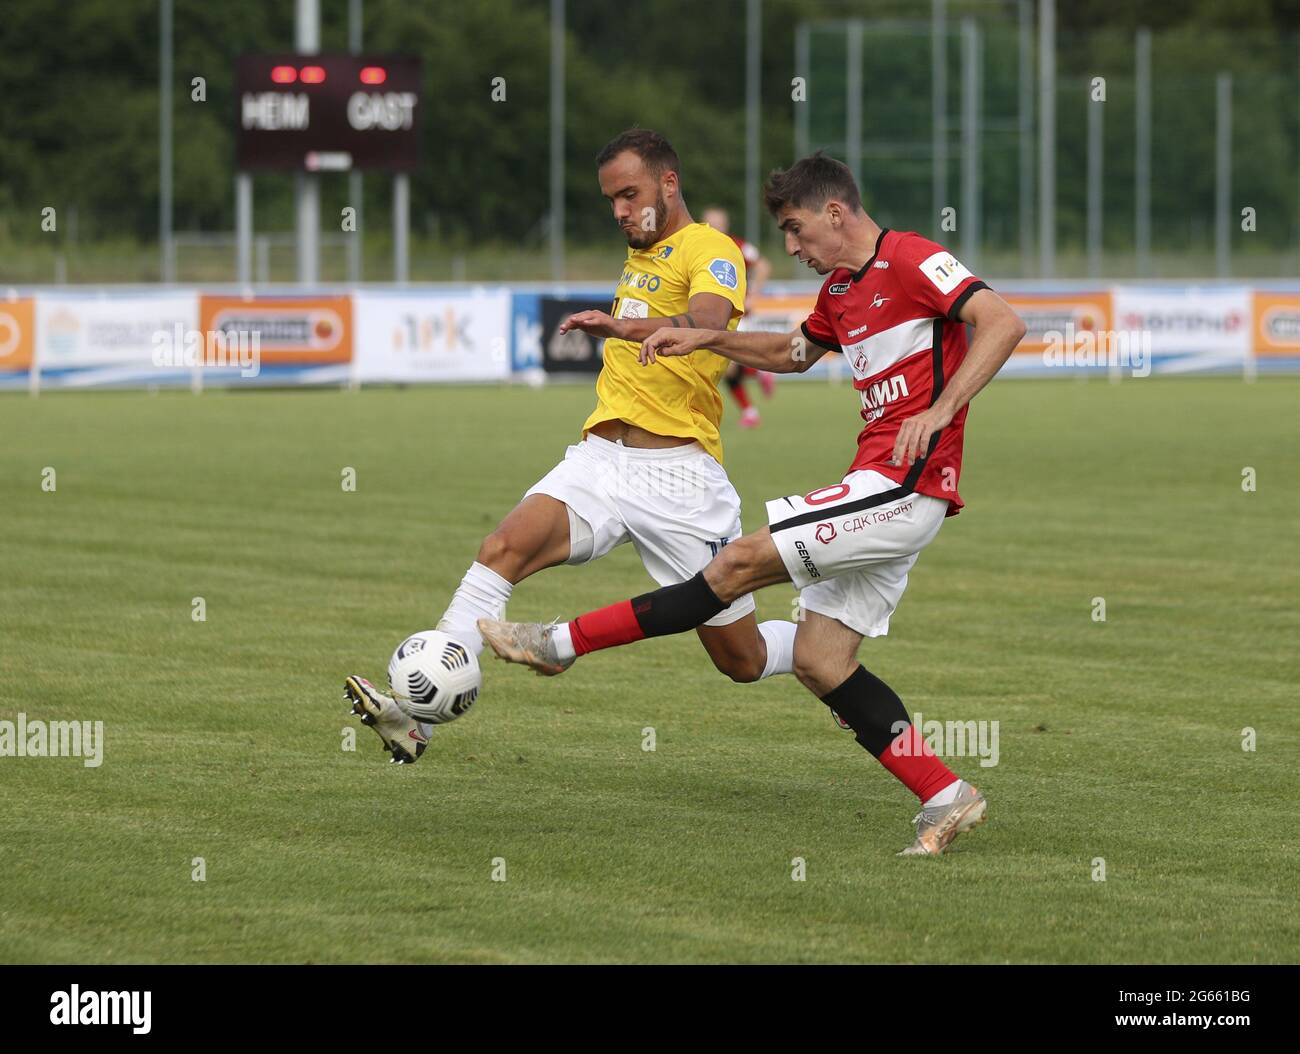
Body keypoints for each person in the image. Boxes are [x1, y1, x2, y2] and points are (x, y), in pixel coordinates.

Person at [477, 151, 1027, 855]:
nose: (791, 248)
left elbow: (1004, 321)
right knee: (820, 659)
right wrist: (709, 337)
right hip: (887, 490)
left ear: (836, 212)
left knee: (735, 563)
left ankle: (557, 645)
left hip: (901, 484)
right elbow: (793, 354)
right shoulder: (839, 294)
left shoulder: (912, 259)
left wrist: (943, 409)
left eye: (796, 230)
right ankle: (947, 796)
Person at [344, 129, 801, 762]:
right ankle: (414, 719)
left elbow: (708, 325)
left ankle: (821, 648)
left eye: (629, 194)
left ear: (669, 183)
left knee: (742, 660)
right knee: (502, 548)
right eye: (610, 198)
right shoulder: (639, 253)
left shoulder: (711, 247)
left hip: (679, 478)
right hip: (599, 461)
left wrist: (623, 324)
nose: (618, 210)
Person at [702, 206, 774, 428]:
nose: (714, 227)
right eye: (709, 223)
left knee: (728, 361)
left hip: (738, 314)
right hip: (715, 316)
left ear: (725, 225)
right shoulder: (698, 248)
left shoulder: (738, 245)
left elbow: (763, 265)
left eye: (718, 223)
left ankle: (757, 375)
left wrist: (753, 294)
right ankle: (756, 379)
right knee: (727, 365)